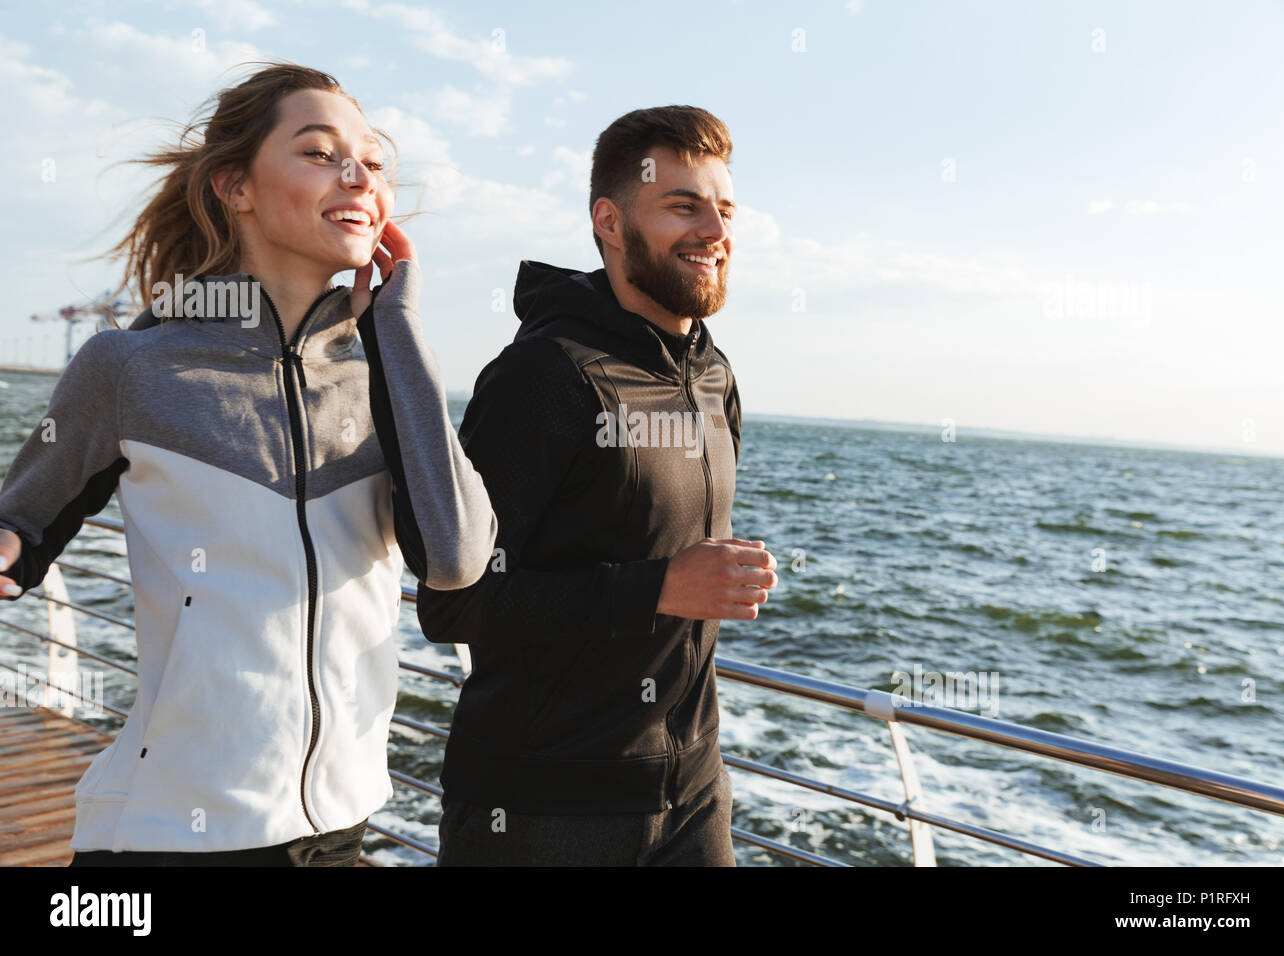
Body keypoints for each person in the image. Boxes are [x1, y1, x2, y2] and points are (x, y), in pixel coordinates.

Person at [0, 62, 497, 865]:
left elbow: (457, 559)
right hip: (173, 833)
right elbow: (24, 519)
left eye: (373, 161)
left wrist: (398, 327)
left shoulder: (385, 372)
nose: (358, 175)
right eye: (318, 152)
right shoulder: (132, 367)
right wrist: (11, 550)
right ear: (236, 187)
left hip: (342, 826)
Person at [401, 105, 776, 866]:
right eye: (683, 206)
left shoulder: (713, 373)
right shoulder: (544, 375)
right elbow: (454, 603)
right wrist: (659, 588)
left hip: (693, 798)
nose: (714, 230)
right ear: (610, 220)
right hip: (542, 811)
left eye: (724, 208)